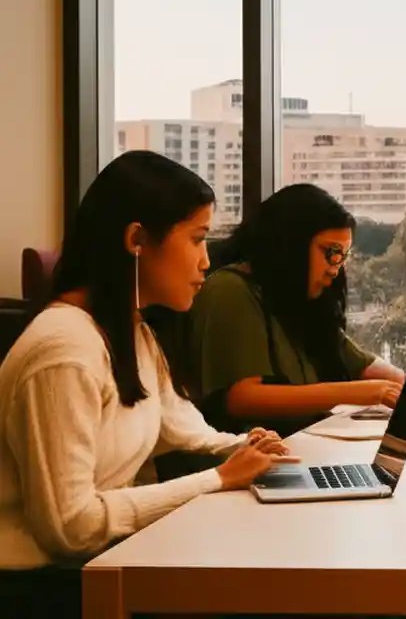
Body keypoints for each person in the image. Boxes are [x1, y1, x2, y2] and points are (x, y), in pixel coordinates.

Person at [0, 152, 286, 618]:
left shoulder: (129, 331)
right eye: (196, 239)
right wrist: (217, 479)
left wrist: (244, 448)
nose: (206, 261)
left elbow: (182, 427)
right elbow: (70, 528)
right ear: (136, 239)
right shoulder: (63, 351)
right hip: (43, 590)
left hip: (103, 566)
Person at [177, 184, 405, 436]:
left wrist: (398, 384)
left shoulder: (298, 300)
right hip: (250, 457)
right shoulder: (230, 290)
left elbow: (365, 366)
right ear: (290, 244)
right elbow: (242, 398)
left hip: (302, 448)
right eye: (331, 253)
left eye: (343, 256)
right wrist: (362, 392)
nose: (335, 268)